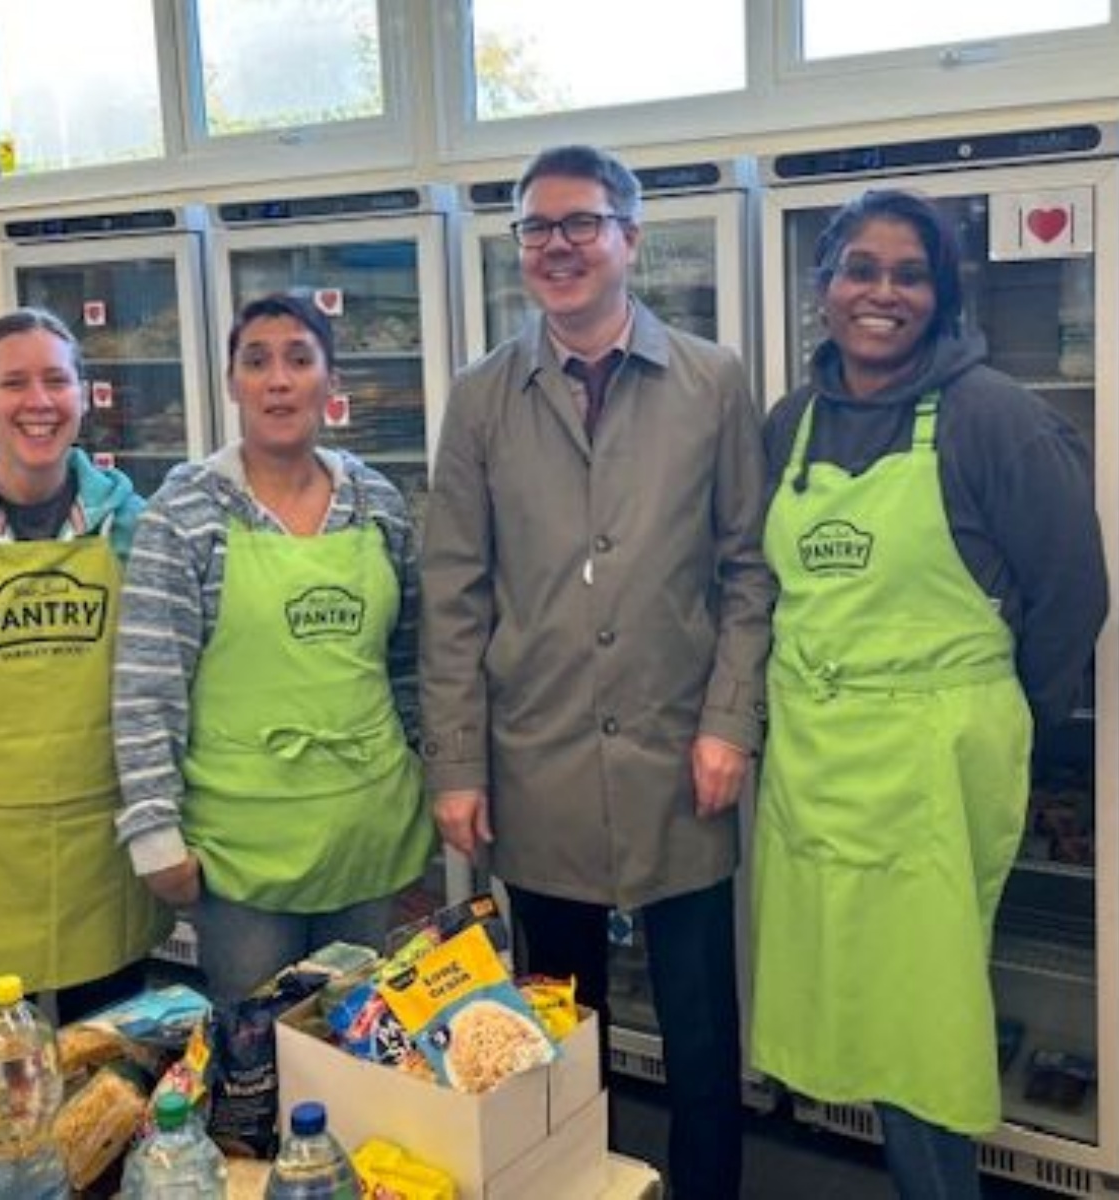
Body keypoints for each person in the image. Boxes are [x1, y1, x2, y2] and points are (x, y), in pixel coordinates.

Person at [419, 144, 773, 1200]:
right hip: (539, 757)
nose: (557, 247)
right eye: (536, 229)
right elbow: (454, 593)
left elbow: (746, 569)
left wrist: (731, 722)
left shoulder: (712, 380)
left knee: (703, 1027)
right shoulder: (482, 397)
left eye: (580, 224)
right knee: (563, 1029)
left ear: (630, 237)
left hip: (680, 754)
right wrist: (456, 764)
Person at [750, 188, 1109, 1199]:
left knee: (922, 1016)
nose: (882, 292)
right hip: (817, 759)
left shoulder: (993, 416)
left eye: (911, 274)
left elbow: (1073, 592)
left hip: (933, 768)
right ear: (824, 288)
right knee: (845, 999)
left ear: (940, 297)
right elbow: (760, 587)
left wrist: (999, 715)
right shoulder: (789, 426)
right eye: (860, 269)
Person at [112, 292, 433, 1002]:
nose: (278, 379)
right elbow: (146, 684)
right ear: (232, 382)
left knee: (358, 1049)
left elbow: (408, 663)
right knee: (257, 1057)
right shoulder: (188, 511)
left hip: (365, 829)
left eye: (298, 359)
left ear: (333, 380)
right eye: (256, 361)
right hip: (240, 842)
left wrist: (427, 781)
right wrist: (154, 832)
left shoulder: (377, 503)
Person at [0, 307, 168, 1036]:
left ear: (84, 396)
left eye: (58, 380)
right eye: (14, 382)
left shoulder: (128, 521)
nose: (39, 401)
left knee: (110, 1082)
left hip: (98, 841)